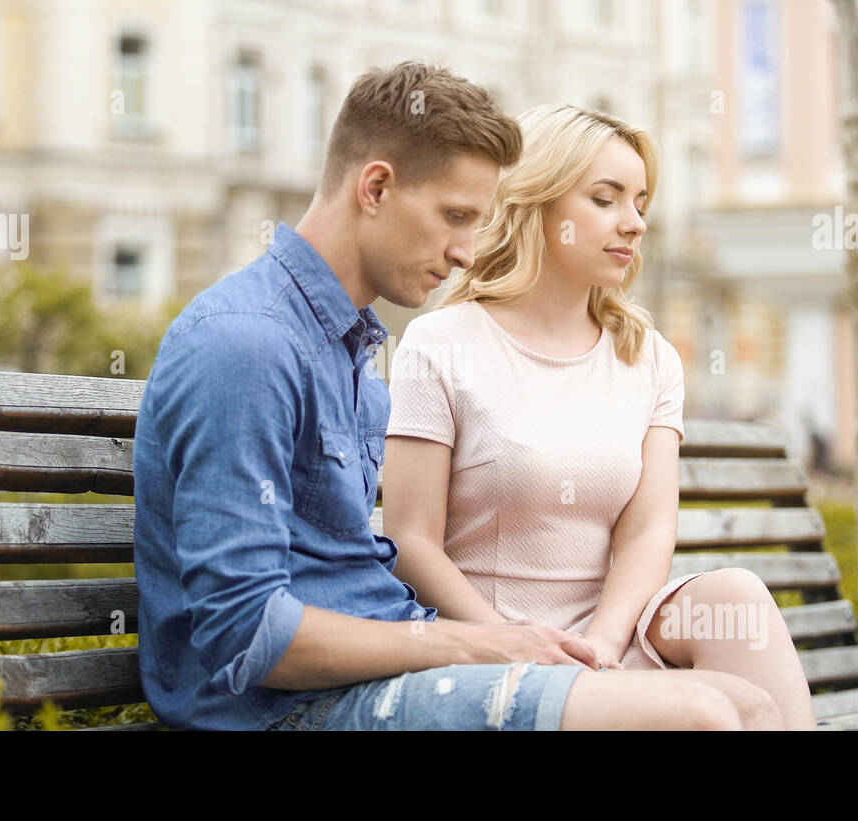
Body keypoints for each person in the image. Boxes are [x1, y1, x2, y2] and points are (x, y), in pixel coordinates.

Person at [135, 62, 769, 730]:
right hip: (291, 710)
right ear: (375, 187)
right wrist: (477, 642)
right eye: (456, 217)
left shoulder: (345, 348)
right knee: (700, 716)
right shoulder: (246, 344)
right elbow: (245, 629)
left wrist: (475, 646)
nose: (468, 253)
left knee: (750, 705)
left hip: (382, 675)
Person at [383, 103, 818, 730]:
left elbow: (647, 532)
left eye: (640, 202)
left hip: (608, 644)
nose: (634, 223)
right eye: (606, 199)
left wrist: (606, 649)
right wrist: (514, 642)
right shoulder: (440, 344)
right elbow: (412, 541)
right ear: (540, 203)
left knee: (737, 598)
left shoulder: (650, 358)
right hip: (488, 648)